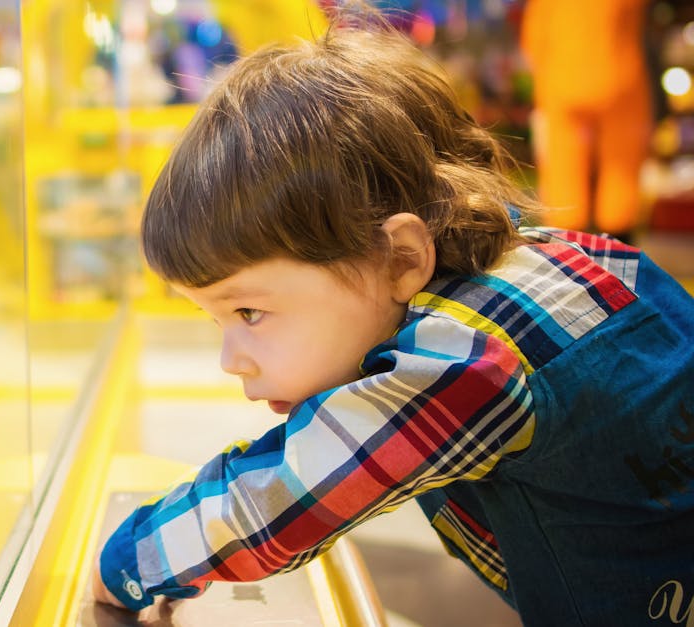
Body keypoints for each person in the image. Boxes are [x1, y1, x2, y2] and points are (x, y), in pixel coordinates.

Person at [91, 9, 694, 627]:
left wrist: (125, 565)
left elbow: (280, 499)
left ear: (400, 257)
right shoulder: (556, 257)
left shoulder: (465, 359)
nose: (230, 359)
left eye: (249, 311)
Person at [520, 0, 651, 241]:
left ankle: (566, 232)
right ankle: (618, 232)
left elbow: (534, 38)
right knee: (620, 163)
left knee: (564, 162)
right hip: (619, 75)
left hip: (562, 78)